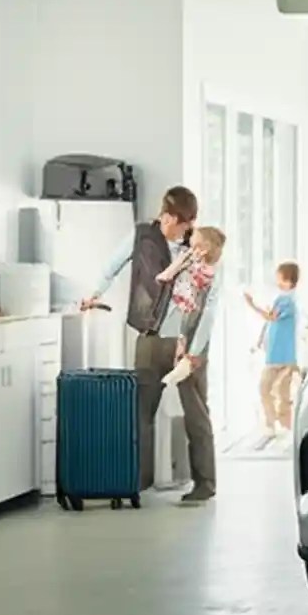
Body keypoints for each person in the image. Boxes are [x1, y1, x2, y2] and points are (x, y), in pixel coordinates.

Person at [84, 186, 222, 503]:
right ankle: (135, 481)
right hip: (151, 337)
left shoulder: (201, 247)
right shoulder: (141, 237)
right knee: (140, 413)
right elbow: (111, 267)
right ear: (169, 217)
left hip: (188, 343)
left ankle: (205, 483)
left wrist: (197, 350)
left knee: (196, 414)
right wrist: (94, 294)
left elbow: (211, 304)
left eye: (192, 226)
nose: (188, 232)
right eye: (184, 225)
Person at [157, 226, 226, 386]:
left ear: (203, 247)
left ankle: (184, 363)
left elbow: (165, 277)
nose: (190, 239)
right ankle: (182, 363)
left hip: (184, 319)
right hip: (180, 319)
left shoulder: (206, 274)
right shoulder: (193, 263)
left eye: (195, 237)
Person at [244, 261, 301, 444]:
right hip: (281, 355)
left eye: (280, 278)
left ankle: (276, 425)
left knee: (268, 389)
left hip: (280, 357)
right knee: (281, 393)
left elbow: (271, 318)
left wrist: (251, 304)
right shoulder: (285, 300)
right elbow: (271, 324)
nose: (277, 282)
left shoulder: (286, 301)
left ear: (288, 281)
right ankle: (281, 426)